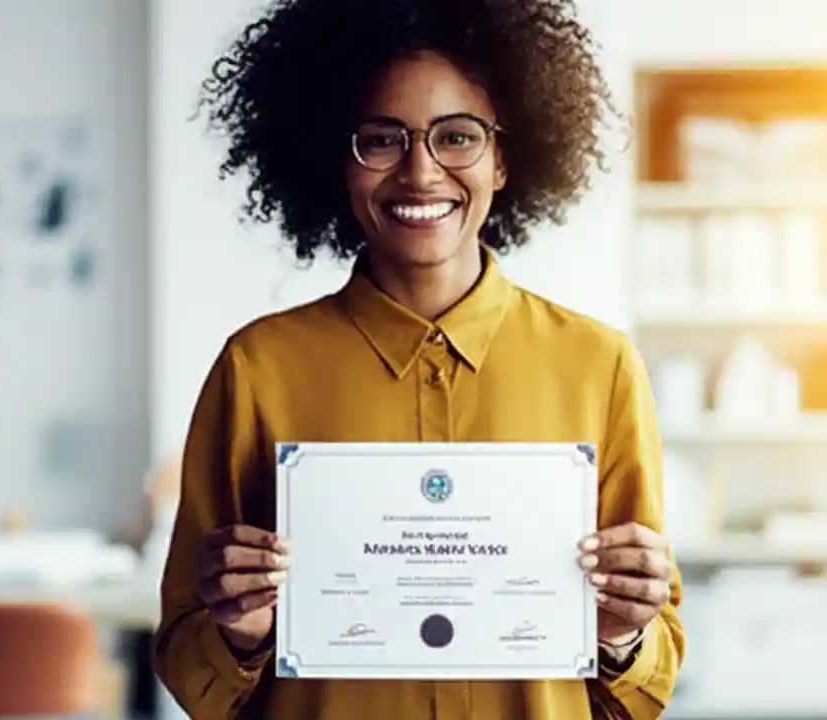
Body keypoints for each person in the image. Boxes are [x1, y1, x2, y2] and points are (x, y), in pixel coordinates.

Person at [152, 1, 684, 719]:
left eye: (457, 137)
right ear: (336, 161)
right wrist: (239, 631)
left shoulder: (601, 366)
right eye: (381, 139)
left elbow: (649, 685)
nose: (421, 172)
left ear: (503, 159)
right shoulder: (256, 369)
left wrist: (623, 634)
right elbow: (190, 672)